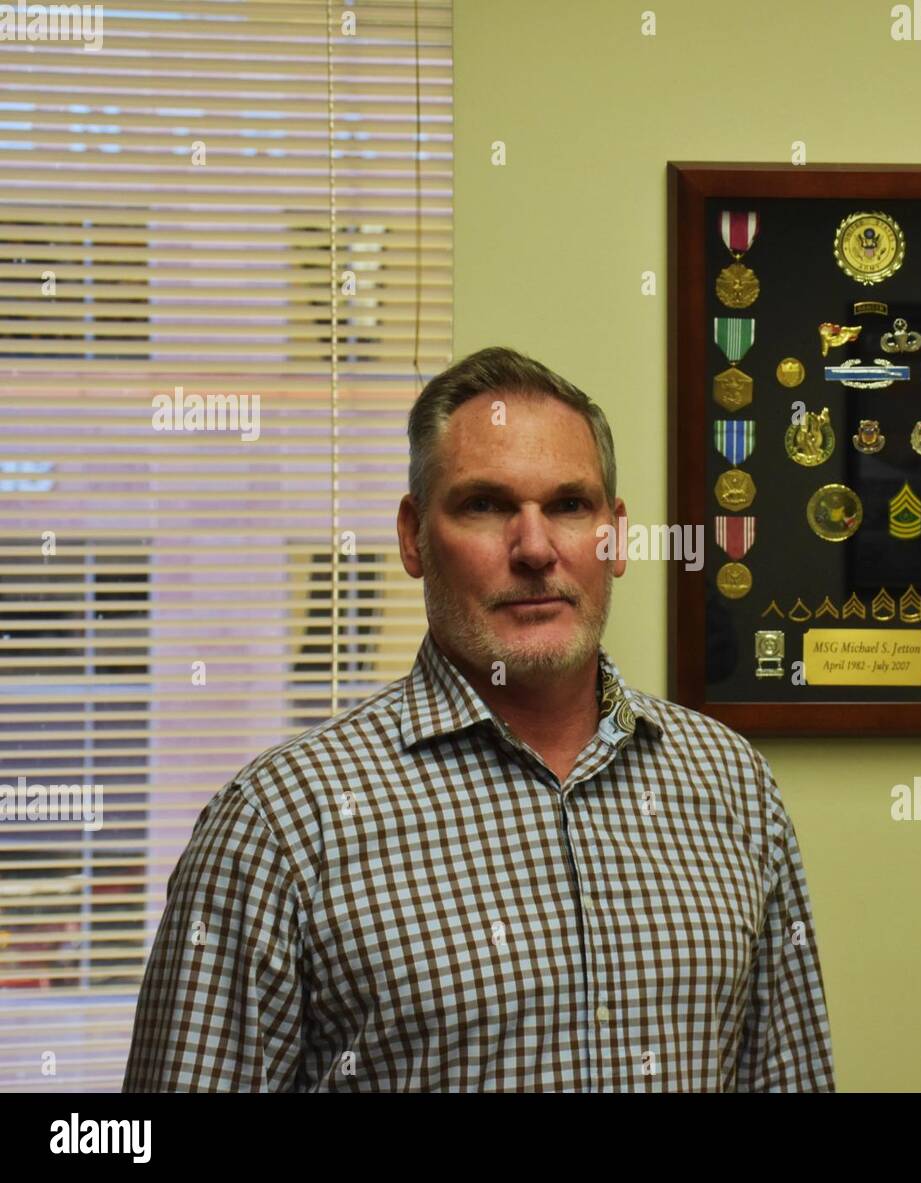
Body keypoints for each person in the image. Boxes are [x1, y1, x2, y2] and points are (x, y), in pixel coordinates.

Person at [122, 346, 835, 1092]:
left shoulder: (731, 782)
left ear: (615, 536)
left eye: (568, 505)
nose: (535, 549)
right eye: (485, 505)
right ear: (412, 536)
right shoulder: (281, 823)